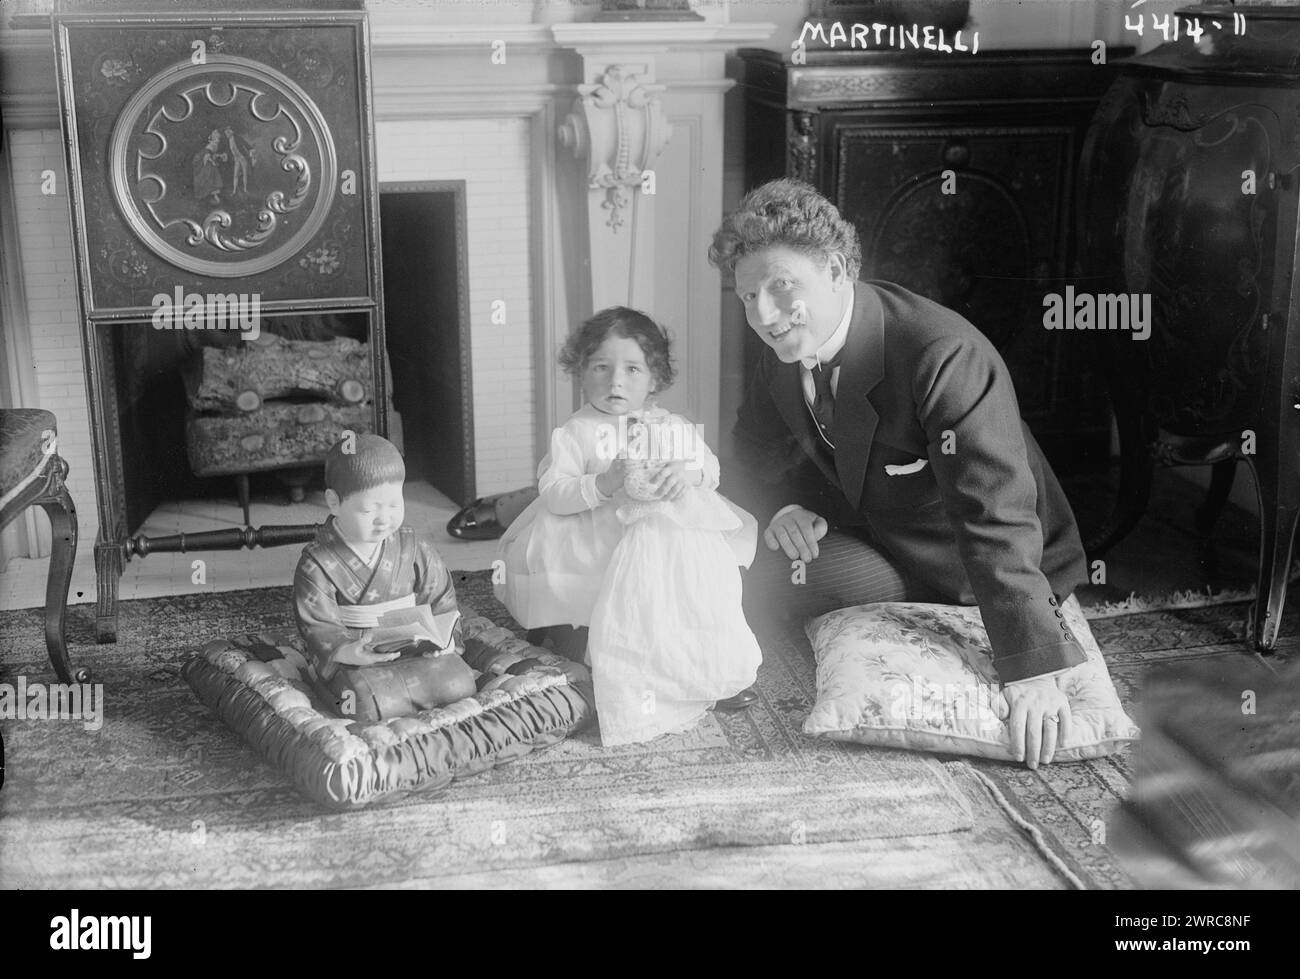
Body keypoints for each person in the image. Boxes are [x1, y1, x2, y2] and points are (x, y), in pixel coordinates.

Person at [710, 179, 1089, 769]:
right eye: (747, 295)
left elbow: (996, 511)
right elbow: (752, 450)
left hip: (962, 560)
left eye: (782, 287)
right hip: (873, 526)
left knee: (742, 583)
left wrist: (1033, 664)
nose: (763, 314)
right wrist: (784, 507)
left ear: (836, 270)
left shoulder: (942, 354)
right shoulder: (785, 346)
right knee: (710, 557)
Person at [495, 307, 762, 740]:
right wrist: (603, 482)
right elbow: (554, 492)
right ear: (581, 373)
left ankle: (705, 667)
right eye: (601, 367)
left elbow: (710, 468)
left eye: (632, 369)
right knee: (606, 578)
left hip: (665, 535)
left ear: (653, 379)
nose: (615, 381)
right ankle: (590, 644)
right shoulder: (576, 433)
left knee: (703, 578)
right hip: (594, 528)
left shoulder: (670, 426)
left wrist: (687, 474)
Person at [294, 433, 476, 724]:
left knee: (460, 685)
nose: (384, 519)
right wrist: (348, 651)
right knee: (365, 704)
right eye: (369, 509)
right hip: (356, 653)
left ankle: (416, 688)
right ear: (333, 502)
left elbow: (441, 598)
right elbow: (318, 624)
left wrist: (444, 640)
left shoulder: (413, 546)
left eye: (394, 505)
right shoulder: (318, 561)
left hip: (414, 647)